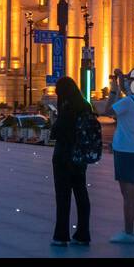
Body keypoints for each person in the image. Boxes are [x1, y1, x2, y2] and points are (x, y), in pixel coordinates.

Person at [49, 76, 92, 247]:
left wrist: (55, 120)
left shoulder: (67, 107)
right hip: (80, 157)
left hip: (63, 157)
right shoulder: (85, 106)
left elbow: (57, 132)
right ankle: (83, 234)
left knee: (63, 197)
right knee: (81, 194)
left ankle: (61, 235)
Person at [107, 68, 134, 244]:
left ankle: (128, 232)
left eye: (130, 79)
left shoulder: (127, 102)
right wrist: (121, 78)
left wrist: (114, 88)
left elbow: (108, 110)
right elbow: (129, 92)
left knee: (128, 196)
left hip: (125, 150)